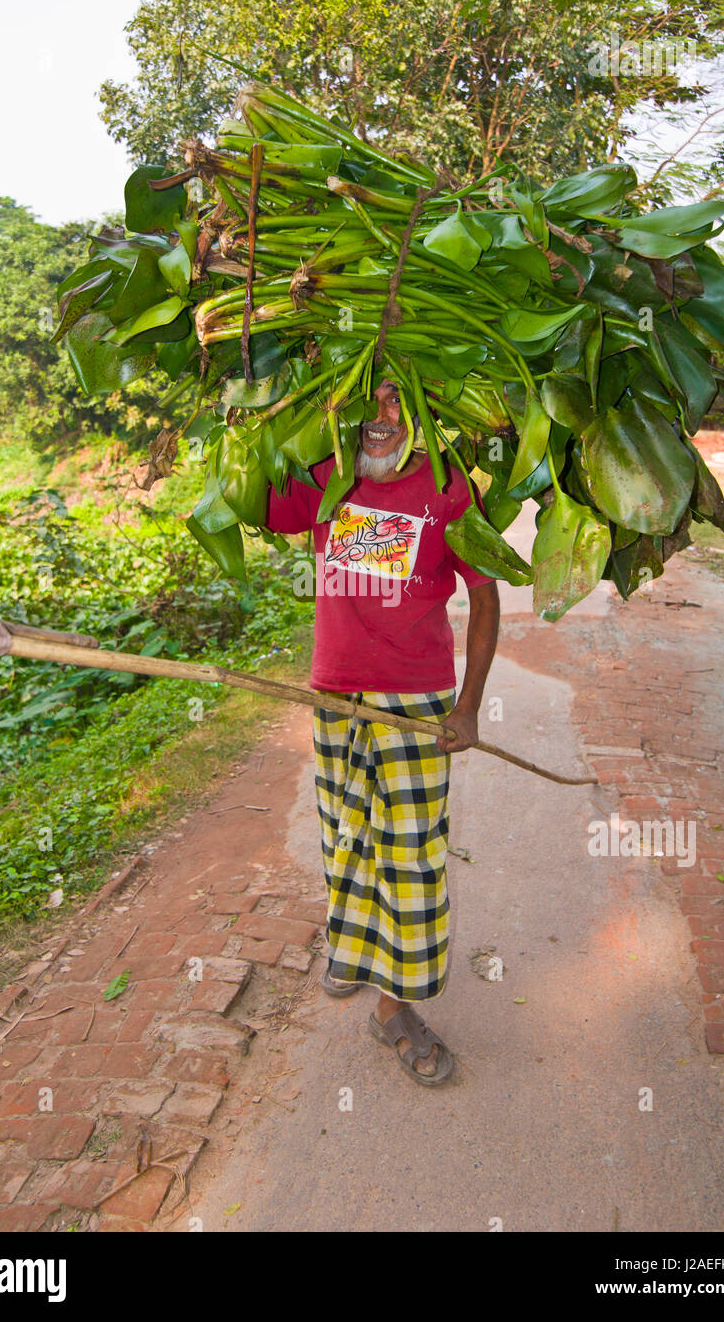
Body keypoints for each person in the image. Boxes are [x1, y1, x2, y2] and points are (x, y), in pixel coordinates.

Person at [266, 378, 500, 1085]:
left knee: (409, 859)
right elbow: (257, 502)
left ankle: (392, 1010)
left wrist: (465, 709)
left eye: (397, 401)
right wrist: (269, 412)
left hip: (413, 702)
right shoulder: (321, 478)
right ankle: (353, 949)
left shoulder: (448, 487)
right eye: (366, 399)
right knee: (344, 838)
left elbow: (486, 599)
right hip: (335, 695)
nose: (380, 418)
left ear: (428, 410)